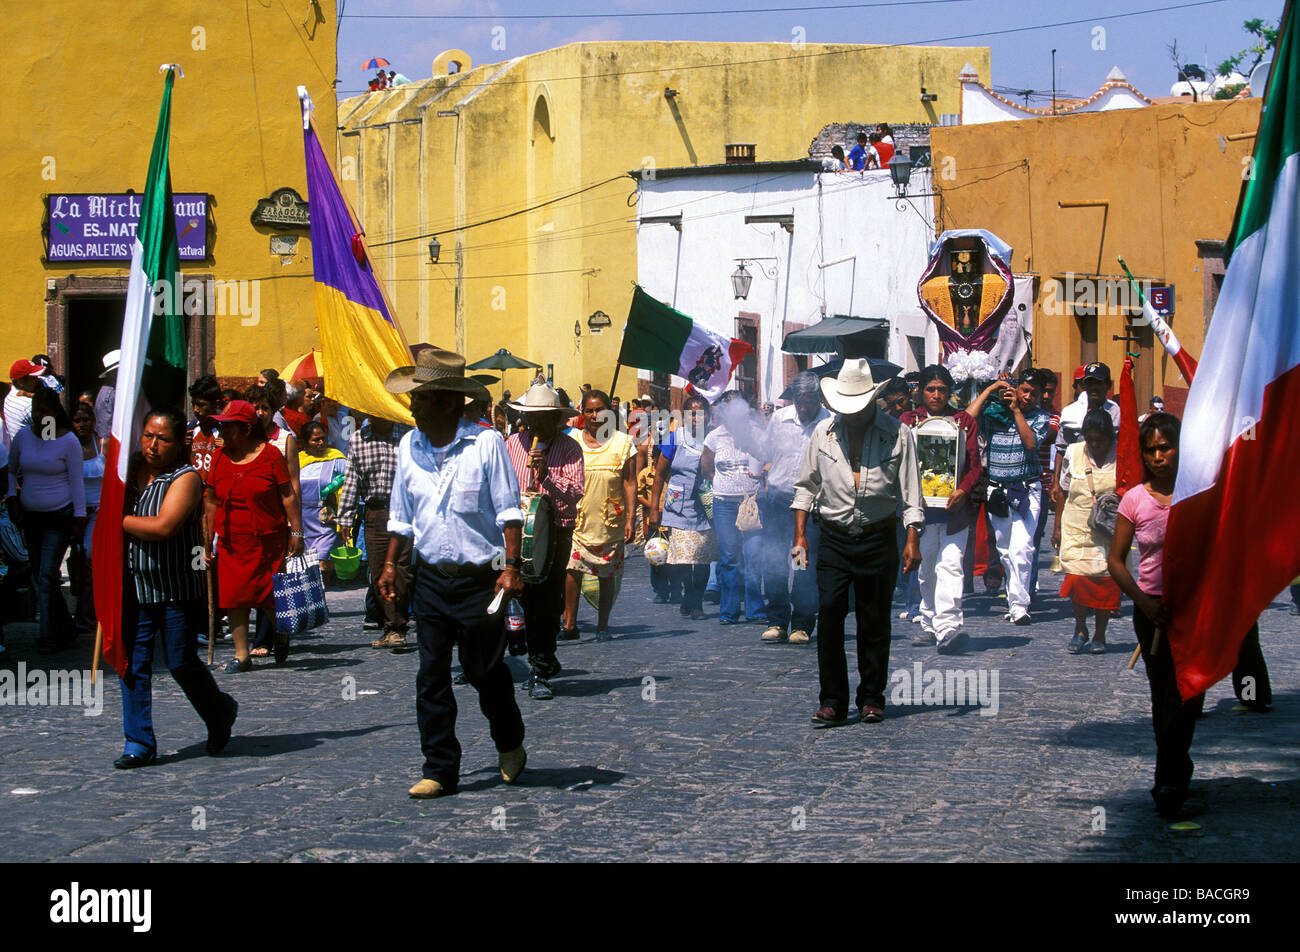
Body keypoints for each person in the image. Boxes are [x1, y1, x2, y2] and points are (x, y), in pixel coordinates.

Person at [380, 346, 528, 799]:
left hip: (480, 581)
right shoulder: (409, 445)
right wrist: (390, 565)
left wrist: (512, 567)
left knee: (484, 671)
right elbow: (401, 516)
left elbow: (509, 512)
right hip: (430, 581)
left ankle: (509, 742)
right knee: (431, 675)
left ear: (446, 401)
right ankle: (440, 768)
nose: (412, 406)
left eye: (420, 399)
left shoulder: (485, 443)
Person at [792, 359, 923, 726]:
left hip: (879, 537)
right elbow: (805, 488)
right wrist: (800, 536)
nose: (851, 415)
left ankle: (871, 698)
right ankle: (832, 700)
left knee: (874, 620)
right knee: (830, 613)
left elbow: (912, 495)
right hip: (833, 538)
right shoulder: (823, 433)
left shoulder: (898, 434)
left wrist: (912, 540)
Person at [115, 409, 238, 769]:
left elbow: (164, 526)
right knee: (133, 665)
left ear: (177, 442)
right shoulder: (128, 473)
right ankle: (138, 742)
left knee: (181, 662)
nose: (153, 445)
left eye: (163, 439)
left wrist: (116, 521)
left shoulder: (185, 478)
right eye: (148, 436)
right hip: (134, 588)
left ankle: (219, 711)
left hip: (174, 590)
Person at [203, 400, 304, 672]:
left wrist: (297, 530)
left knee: (269, 596)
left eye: (228, 427)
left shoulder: (271, 455)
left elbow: (287, 495)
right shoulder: (219, 457)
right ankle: (241, 655)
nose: (222, 432)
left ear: (246, 429)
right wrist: (207, 541)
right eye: (220, 426)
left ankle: (280, 632)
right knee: (234, 597)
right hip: (231, 540)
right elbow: (211, 499)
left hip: (267, 539)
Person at [504, 385, 584, 700]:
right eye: (531, 418)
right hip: (515, 531)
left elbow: (575, 491)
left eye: (544, 419)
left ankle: (540, 668)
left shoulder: (569, 448)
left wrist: (545, 473)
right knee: (512, 593)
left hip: (555, 532)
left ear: (557, 419)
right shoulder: (512, 443)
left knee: (545, 602)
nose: (536, 425)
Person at [900, 365, 982, 652]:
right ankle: (928, 621)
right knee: (927, 569)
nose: (936, 395)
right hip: (920, 510)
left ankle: (949, 627)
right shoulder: (908, 421)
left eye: (942, 390)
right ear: (920, 391)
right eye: (930, 389)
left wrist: (963, 489)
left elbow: (973, 464)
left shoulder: (963, 422)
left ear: (950, 392)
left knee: (951, 565)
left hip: (953, 510)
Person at [748, 372, 828, 644]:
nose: (804, 408)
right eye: (799, 402)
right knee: (773, 564)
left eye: (809, 402)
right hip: (779, 501)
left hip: (809, 507)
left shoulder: (827, 423)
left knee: (801, 563)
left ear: (818, 399)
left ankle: (802, 624)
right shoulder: (781, 419)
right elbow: (765, 451)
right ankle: (777, 621)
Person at [5, 386, 86, 652]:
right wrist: (12, 497)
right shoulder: (22, 437)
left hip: (59, 516)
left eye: (45, 411)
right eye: (36, 411)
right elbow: (11, 470)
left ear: (54, 412)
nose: (41, 417)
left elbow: (77, 481)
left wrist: (79, 516)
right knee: (43, 577)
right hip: (31, 516)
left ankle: (47, 635)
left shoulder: (68, 441)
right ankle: (66, 628)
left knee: (47, 575)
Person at [967, 372, 1052, 625]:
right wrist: (990, 389)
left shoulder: (1040, 417)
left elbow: (1030, 444)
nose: (1028, 397)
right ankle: (1015, 600)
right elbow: (966, 420)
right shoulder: (993, 413)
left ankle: (1019, 605)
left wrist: (1016, 411)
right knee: (1005, 551)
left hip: (1027, 490)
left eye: (1033, 393)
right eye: (1024, 390)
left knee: (1023, 548)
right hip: (998, 491)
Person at [335, 415, 411, 649]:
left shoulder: (407, 437)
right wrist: (345, 518)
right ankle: (390, 625)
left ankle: (398, 626)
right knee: (379, 571)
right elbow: (352, 480)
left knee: (401, 570)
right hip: (375, 513)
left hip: (403, 511)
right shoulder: (359, 439)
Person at [566, 389, 636, 640]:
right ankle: (570, 623)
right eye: (589, 410)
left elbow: (630, 482)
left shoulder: (623, 442)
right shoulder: (572, 440)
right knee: (572, 570)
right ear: (582, 413)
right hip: (578, 518)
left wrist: (630, 518)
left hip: (610, 518)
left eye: (599, 410)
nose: (595, 415)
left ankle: (603, 625)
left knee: (607, 573)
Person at [1055, 408, 1120, 653]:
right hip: (1076, 526)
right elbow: (1062, 490)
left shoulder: (1121, 456)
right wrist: (1057, 527)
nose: (1095, 444)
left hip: (1108, 530)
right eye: (1090, 439)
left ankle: (1100, 634)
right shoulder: (1073, 452)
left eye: (1100, 440)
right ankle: (1080, 628)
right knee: (1077, 579)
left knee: (1105, 581)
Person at [647, 393, 716, 620]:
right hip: (679, 504)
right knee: (684, 559)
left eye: (700, 413)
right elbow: (659, 475)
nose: (696, 418)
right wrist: (654, 509)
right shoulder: (674, 439)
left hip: (706, 505)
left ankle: (696, 601)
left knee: (703, 558)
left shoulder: (713, 438)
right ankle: (690, 597)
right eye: (691, 413)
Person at [702, 391, 766, 627]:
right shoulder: (714, 437)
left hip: (751, 503)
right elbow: (706, 468)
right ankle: (729, 610)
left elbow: (767, 458)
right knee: (729, 557)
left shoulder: (755, 433)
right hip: (724, 504)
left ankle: (755, 609)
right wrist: (725, 484)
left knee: (753, 553)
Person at [299, 421, 348, 586]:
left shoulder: (336, 458)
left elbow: (351, 479)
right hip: (303, 520)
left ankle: (322, 594)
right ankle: (316, 605)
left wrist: (336, 485)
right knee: (307, 566)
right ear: (306, 442)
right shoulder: (298, 460)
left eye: (323, 438)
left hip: (325, 518)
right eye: (315, 440)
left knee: (323, 566)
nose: (320, 443)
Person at [69, 403, 104, 636]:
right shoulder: (67, 446)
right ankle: (81, 614)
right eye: (77, 420)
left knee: (92, 558)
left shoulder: (104, 444)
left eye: (86, 420)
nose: (82, 424)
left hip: (99, 512)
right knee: (79, 562)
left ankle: (89, 615)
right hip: (73, 512)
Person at [1028, 368, 1060, 599]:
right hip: (1019, 481)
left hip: (1043, 483)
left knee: (1034, 537)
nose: (1047, 397)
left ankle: (1030, 584)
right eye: (1044, 392)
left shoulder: (1055, 418)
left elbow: (1048, 437)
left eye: (1051, 392)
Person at [5, 359, 43, 442]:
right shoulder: (29, 405)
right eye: (33, 377)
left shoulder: (11, 392)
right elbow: (51, 434)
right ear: (20, 382)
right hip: (34, 451)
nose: (37, 379)